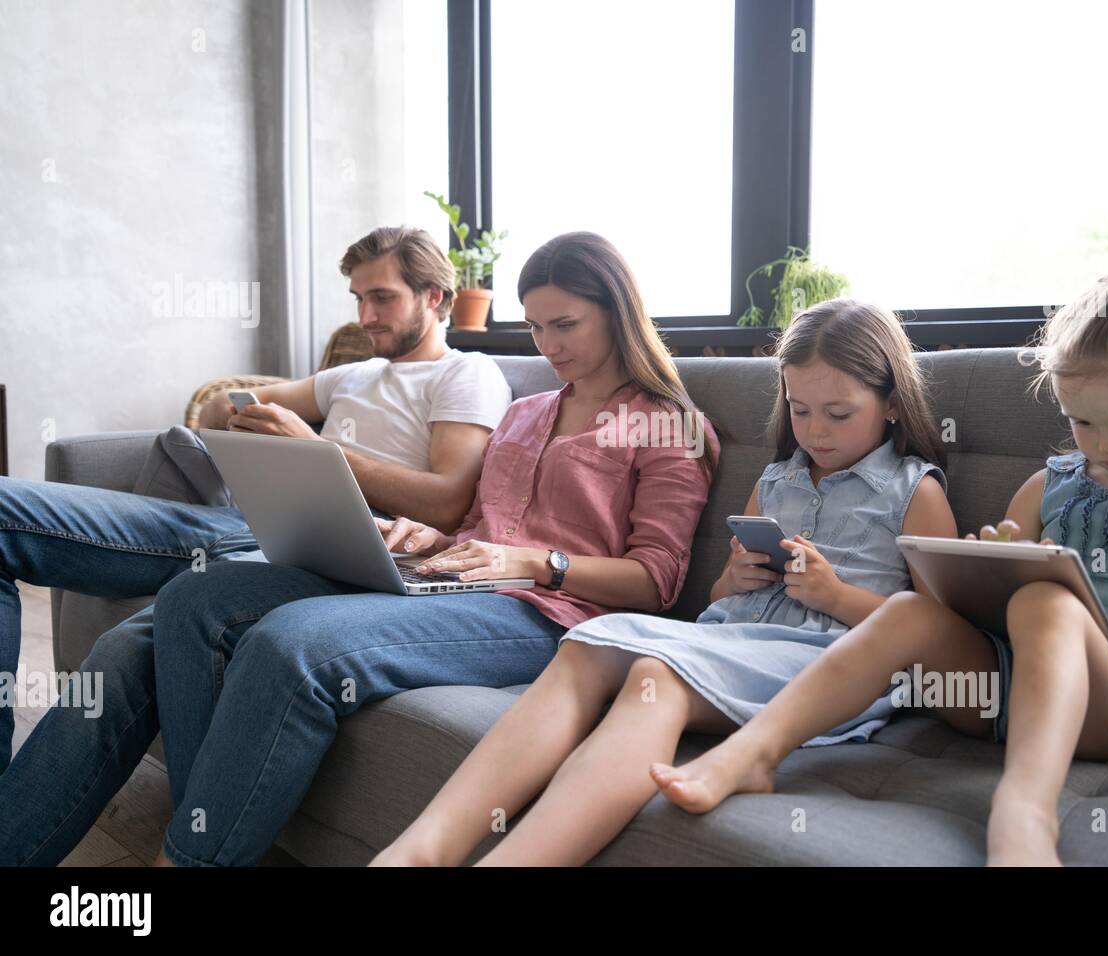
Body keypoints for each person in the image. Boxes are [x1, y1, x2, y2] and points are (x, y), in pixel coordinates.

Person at [648, 264, 1108, 867]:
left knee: (1046, 600)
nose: (1104, 444)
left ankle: (1023, 812)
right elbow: (976, 616)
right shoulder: (1046, 488)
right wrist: (986, 571)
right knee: (910, 610)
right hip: (1002, 688)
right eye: (1081, 421)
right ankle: (753, 752)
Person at [372, 298, 954, 866]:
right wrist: (735, 579)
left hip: (825, 665)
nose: (815, 431)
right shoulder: (778, 479)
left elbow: (933, 634)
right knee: (587, 645)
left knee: (655, 675)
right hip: (732, 640)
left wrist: (836, 596)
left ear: (892, 404)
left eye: (838, 414)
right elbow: (720, 600)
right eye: (799, 410)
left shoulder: (914, 492)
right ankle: (418, 851)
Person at [0, 225, 510, 774]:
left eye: (382, 297)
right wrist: (238, 414)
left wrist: (317, 448)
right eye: (358, 298)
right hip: (246, 521)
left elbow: (446, 502)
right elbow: (219, 406)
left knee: (119, 642)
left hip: (334, 545)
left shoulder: (466, 372)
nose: (365, 316)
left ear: (433, 296)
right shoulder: (352, 375)